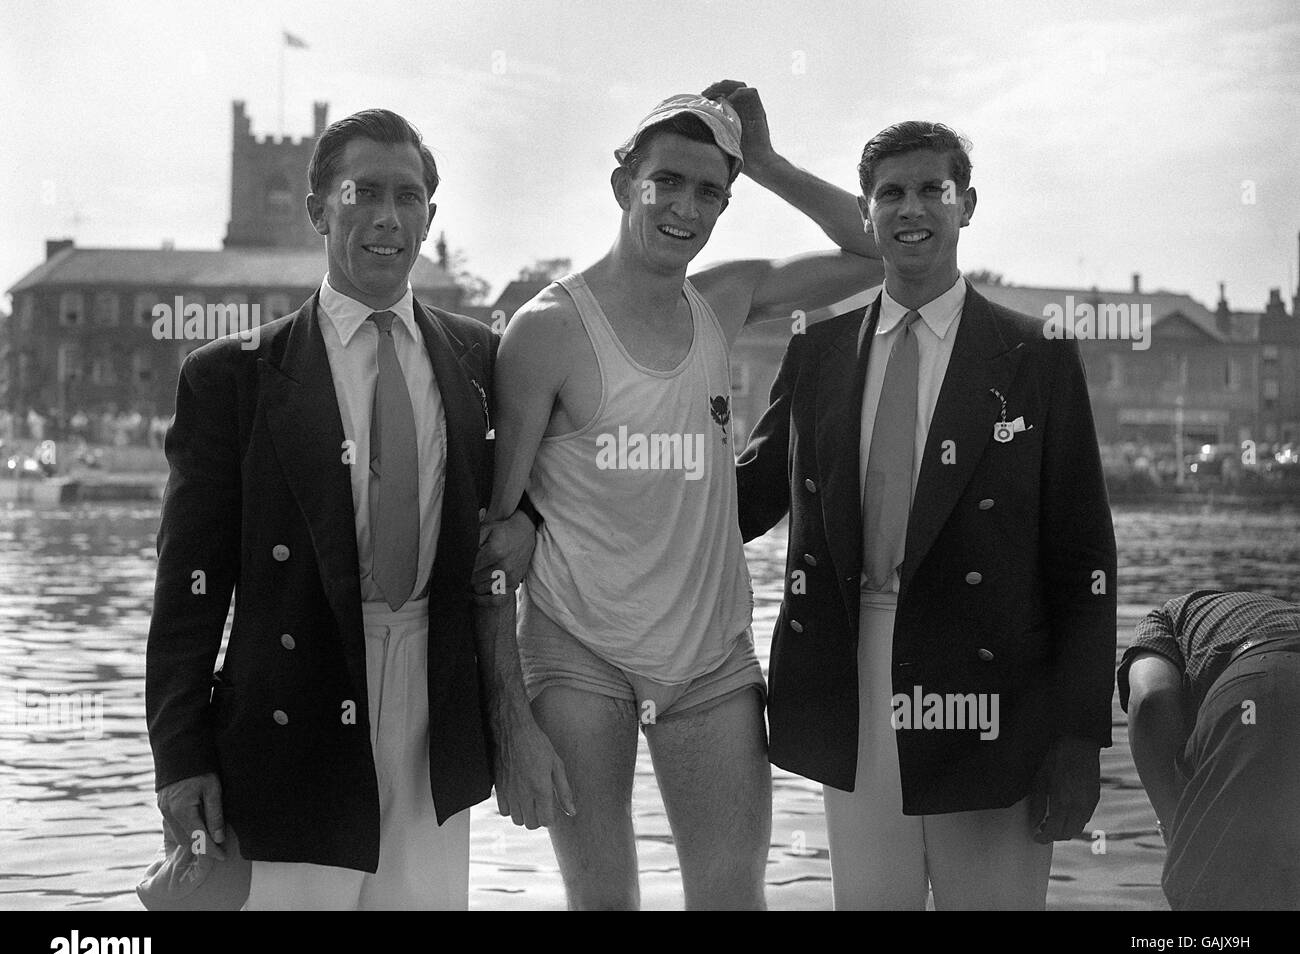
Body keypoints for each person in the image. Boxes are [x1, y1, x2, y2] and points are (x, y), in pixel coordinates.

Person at [478, 84, 885, 909]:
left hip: (709, 657)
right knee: (604, 903)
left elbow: (873, 250)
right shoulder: (546, 330)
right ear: (624, 180)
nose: (685, 208)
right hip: (575, 650)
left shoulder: (722, 302)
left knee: (733, 901)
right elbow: (495, 542)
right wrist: (511, 720)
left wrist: (765, 163)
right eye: (666, 181)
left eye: (710, 192)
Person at [145, 108, 536, 910]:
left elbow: (534, 484)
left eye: (411, 196)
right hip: (293, 715)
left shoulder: (479, 357)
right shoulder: (232, 379)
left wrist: (532, 519)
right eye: (364, 193)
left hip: (438, 712)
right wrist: (180, 758)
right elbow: (188, 590)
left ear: (431, 214)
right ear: (319, 207)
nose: (388, 217)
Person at [737, 121, 1117, 909]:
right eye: (890, 193)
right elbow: (747, 499)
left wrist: (1080, 740)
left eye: (932, 190)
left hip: (992, 693)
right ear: (868, 216)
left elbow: (1083, 556)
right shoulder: (818, 349)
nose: (912, 209)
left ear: (966, 205)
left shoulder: (1037, 353)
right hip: (849, 674)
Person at [1119, 590, 1300, 909]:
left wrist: (1178, 827)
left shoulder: (1164, 618)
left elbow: (1150, 699)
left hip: (1262, 683)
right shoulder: (1284, 613)